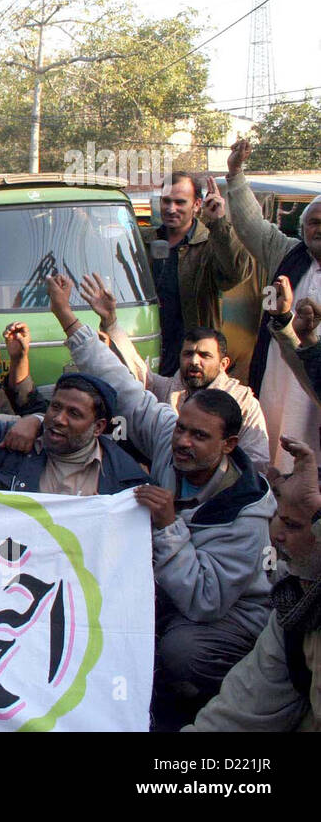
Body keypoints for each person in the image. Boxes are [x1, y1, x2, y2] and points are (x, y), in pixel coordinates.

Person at [47, 273, 274, 730]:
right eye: (181, 428)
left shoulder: (246, 511)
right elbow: (124, 388)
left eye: (199, 436)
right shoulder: (172, 438)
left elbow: (205, 600)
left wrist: (169, 526)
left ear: (229, 445)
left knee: (178, 651)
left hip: (231, 616)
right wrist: (69, 320)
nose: (182, 442)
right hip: (174, 592)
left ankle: (216, 698)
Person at [0, 295, 148, 496]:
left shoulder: (125, 480)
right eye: (55, 407)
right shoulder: (11, 444)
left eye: (74, 413)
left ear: (98, 427)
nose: (58, 419)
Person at [186, 435, 321, 731]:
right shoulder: (294, 610)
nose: (278, 535)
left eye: (296, 525)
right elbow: (243, 710)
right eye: (279, 519)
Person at [77, 271, 270, 472]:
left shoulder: (244, 403)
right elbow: (135, 374)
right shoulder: (169, 388)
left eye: (205, 355)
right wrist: (111, 323)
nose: (194, 361)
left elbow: (257, 463)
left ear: (224, 364)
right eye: (188, 354)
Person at [224, 137, 321, 467]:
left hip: (317, 384)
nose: (318, 228)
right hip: (279, 374)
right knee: (275, 450)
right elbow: (252, 225)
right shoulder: (289, 253)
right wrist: (235, 174)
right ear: (303, 227)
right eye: (314, 222)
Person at [145, 172, 252, 377]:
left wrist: (219, 223)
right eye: (166, 201)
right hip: (152, 350)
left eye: (179, 202)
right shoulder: (144, 243)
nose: (171, 208)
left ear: (197, 204)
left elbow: (235, 274)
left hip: (195, 357)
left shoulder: (211, 243)